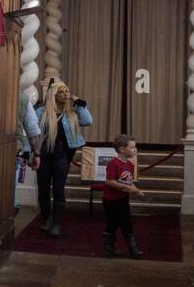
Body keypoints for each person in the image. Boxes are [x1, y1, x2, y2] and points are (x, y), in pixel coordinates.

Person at [34, 78, 93, 238]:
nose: (65, 93)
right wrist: (31, 152)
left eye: (66, 90)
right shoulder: (42, 112)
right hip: (44, 155)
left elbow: (88, 121)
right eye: (61, 91)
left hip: (62, 155)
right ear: (54, 94)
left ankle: (56, 224)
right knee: (43, 189)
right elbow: (32, 132)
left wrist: (80, 103)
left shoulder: (72, 112)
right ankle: (46, 218)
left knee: (59, 188)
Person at [102, 134, 144, 258]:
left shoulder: (130, 165)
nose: (135, 150)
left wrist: (136, 190)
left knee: (120, 222)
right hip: (111, 200)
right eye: (132, 147)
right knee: (119, 223)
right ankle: (122, 249)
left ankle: (124, 249)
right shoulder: (113, 164)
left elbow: (128, 181)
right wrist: (127, 188)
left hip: (123, 199)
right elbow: (109, 181)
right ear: (122, 149)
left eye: (135, 147)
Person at [15, 93, 41, 183]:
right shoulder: (22, 97)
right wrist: (36, 153)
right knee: (9, 189)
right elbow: (32, 128)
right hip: (13, 148)